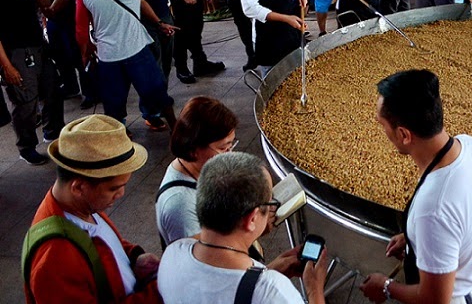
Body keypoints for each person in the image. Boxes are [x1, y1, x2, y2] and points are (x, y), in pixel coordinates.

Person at [359, 70, 472, 304]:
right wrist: (415, 237)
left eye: (382, 125)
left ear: (403, 134)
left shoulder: (433, 209)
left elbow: (435, 299)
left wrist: (386, 286)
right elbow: (464, 221)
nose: (382, 132)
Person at [23, 114, 162, 303]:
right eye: (114, 188)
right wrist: (158, 291)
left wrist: (135, 256)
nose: (121, 194)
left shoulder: (84, 206)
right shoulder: (55, 259)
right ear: (79, 187)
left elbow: (105, 246)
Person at [157, 152, 328, 304]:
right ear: (252, 218)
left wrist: (268, 271)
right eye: (271, 202)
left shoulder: (173, 253)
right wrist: (314, 290)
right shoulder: (274, 292)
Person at [76, 0, 178, 128]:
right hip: (137, 51)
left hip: (108, 57)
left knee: (113, 101)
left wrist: (86, 53)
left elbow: (81, 31)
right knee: (156, 91)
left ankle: (117, 136)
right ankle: (174, 126)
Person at [0, 0, 63, 164]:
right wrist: (7, 66)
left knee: (52, 90)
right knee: (25, 102)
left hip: (39, 47)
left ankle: (54, 134)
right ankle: (27, 146)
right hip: (16, 52)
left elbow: (45, 2)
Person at [119, 0, 184, 130]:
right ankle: (150, 111)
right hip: (142, 19)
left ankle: (161, 101)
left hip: (164, 13)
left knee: (166, 62)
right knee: (152, 64)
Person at [156, 97, 238, 248]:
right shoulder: (180, 205)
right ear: (193, 150)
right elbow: (207, 264)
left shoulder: (199, 168)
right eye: (222, 149)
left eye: (231, 146)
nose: (229, 155)